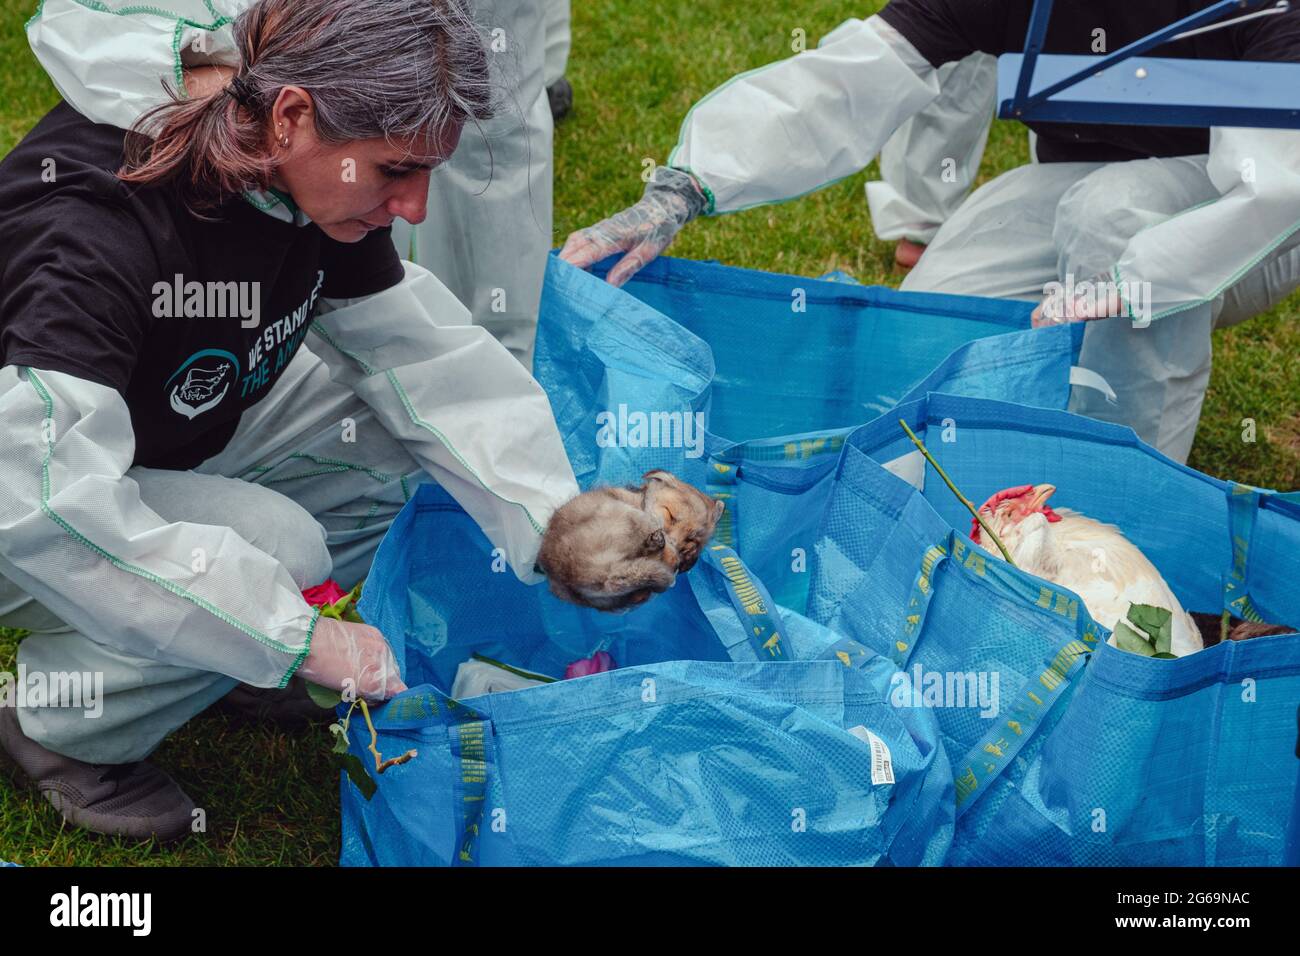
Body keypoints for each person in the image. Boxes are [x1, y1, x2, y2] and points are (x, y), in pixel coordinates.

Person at [0, 0, 578, 841]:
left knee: (397, 430)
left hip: (124, 440)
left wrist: (559, 526)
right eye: (393, 172)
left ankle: (212, 661)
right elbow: (41, 502)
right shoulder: (94, 231)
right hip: (24, 491)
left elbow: (417, 360)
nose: (415, 209)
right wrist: (292, 635)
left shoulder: (290, 174)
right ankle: (60, 724)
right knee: (282, 551)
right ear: (294, 115)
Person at [561, 1, 1300, 465]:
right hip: (1091, 194)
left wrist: (1152, 274)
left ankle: (1124, 510)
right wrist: (686, 185)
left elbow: (1275, 186)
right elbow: (852, 76)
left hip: (1257, 220)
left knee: (1109, 216)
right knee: (936, 327)